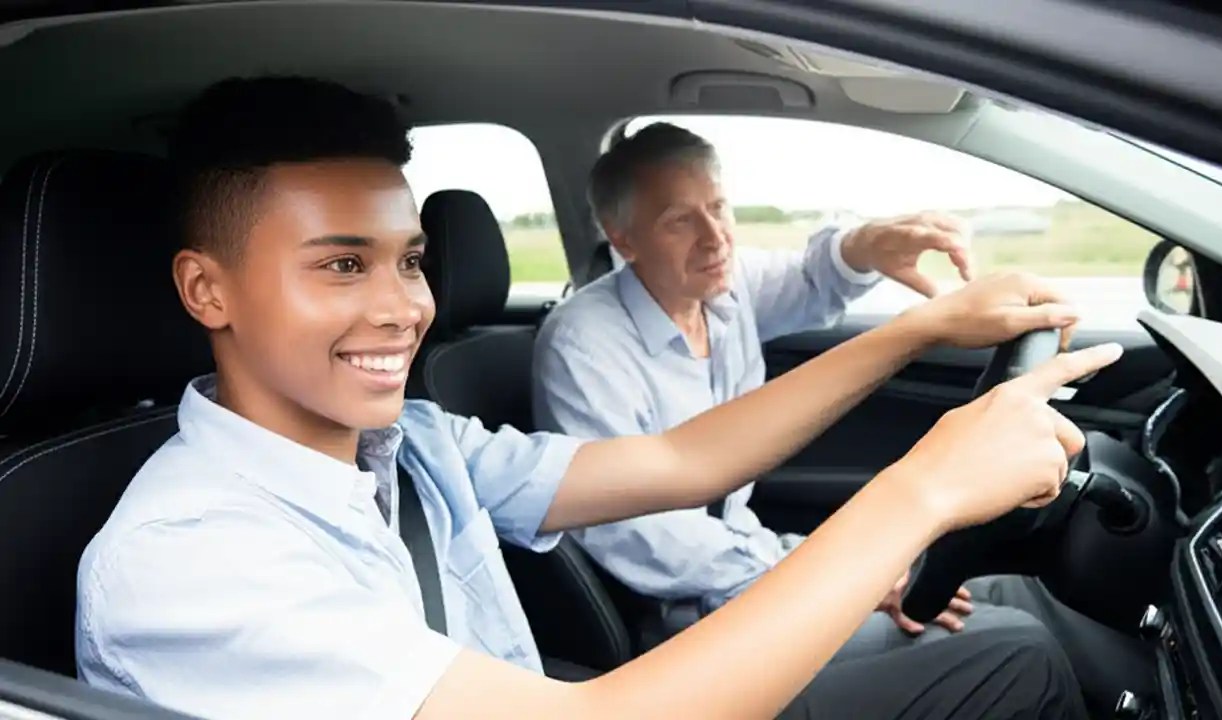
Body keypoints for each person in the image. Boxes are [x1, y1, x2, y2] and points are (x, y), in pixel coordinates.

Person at [74, 76, 1109, 720]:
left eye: (410, 261)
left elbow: (679, 464)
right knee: (1012, 668)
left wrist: (920, 328)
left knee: (1010, 642)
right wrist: (918, 495)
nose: (403, 309)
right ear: (207, 290)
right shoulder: (188, 555)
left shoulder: (415, 445)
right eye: (343, 267)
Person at [531, 121, 1153, 711]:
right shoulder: (584, 344)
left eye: (717, 208)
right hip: (695, 627)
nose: (715, 237)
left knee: (1014, 591)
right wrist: (841, 572)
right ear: (623, 240)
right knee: (1022, 654)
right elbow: (638, 534)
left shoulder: (723, 290)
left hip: (761, 565)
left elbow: (813, 274)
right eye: (678, 221)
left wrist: (868, 244)